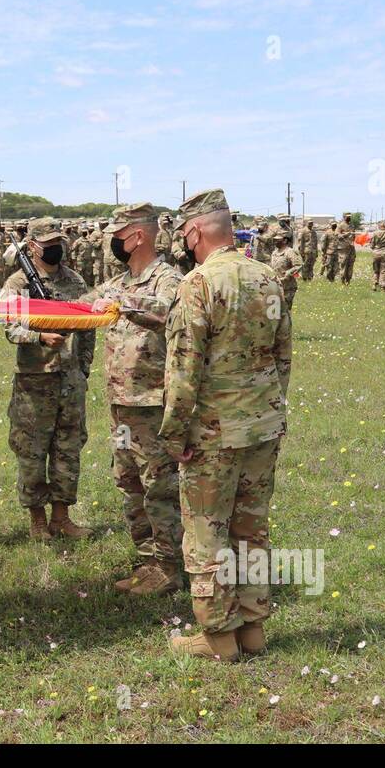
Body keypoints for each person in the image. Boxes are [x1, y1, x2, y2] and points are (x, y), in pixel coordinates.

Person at [160, 188, 292, 662]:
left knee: (206, 533)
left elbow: (183, 371)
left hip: (212, 434)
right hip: (263, 425)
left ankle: (217, 638)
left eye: (183, 233)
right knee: (251, 530)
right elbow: (282, 354)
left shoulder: (198, 285)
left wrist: (174, 434)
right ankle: (252, 629)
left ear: (195, 231)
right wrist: (272, 409)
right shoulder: (267, 277)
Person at [79, 203, 185, 596]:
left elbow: (167, 313)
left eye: (117, 234)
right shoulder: (116, 282)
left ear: (137, 235)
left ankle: (169, 565)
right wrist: (21, 309)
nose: (112, 243)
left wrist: (125, 306)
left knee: (159, 485)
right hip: (120, 405)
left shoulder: (169, 280)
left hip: (152, 404)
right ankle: (147, 559)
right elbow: (79, 308)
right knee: (127, 481)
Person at [0, 218, 95, 540]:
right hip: (34, 379)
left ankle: (62, 517)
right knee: (31, 450)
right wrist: (39, 337)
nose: (56, 247)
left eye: (59, 241)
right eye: (48, 242)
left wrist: (83, 369)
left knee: (68, 448)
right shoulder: (17, 284)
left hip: (70, 379)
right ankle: (37, 520)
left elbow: (88, 328)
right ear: (31, 246)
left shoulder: (75, 281)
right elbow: (10, 328)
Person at [269, 231, 302, 310]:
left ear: (285, 240)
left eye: (278, 240)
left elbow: (298, 265)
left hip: (287, 287)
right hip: (276, 286)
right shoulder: (274, 253)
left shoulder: (290, 252)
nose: (275, 241)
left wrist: (288, 272)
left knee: (285, 310)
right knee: (275, 311)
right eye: (275, 239)